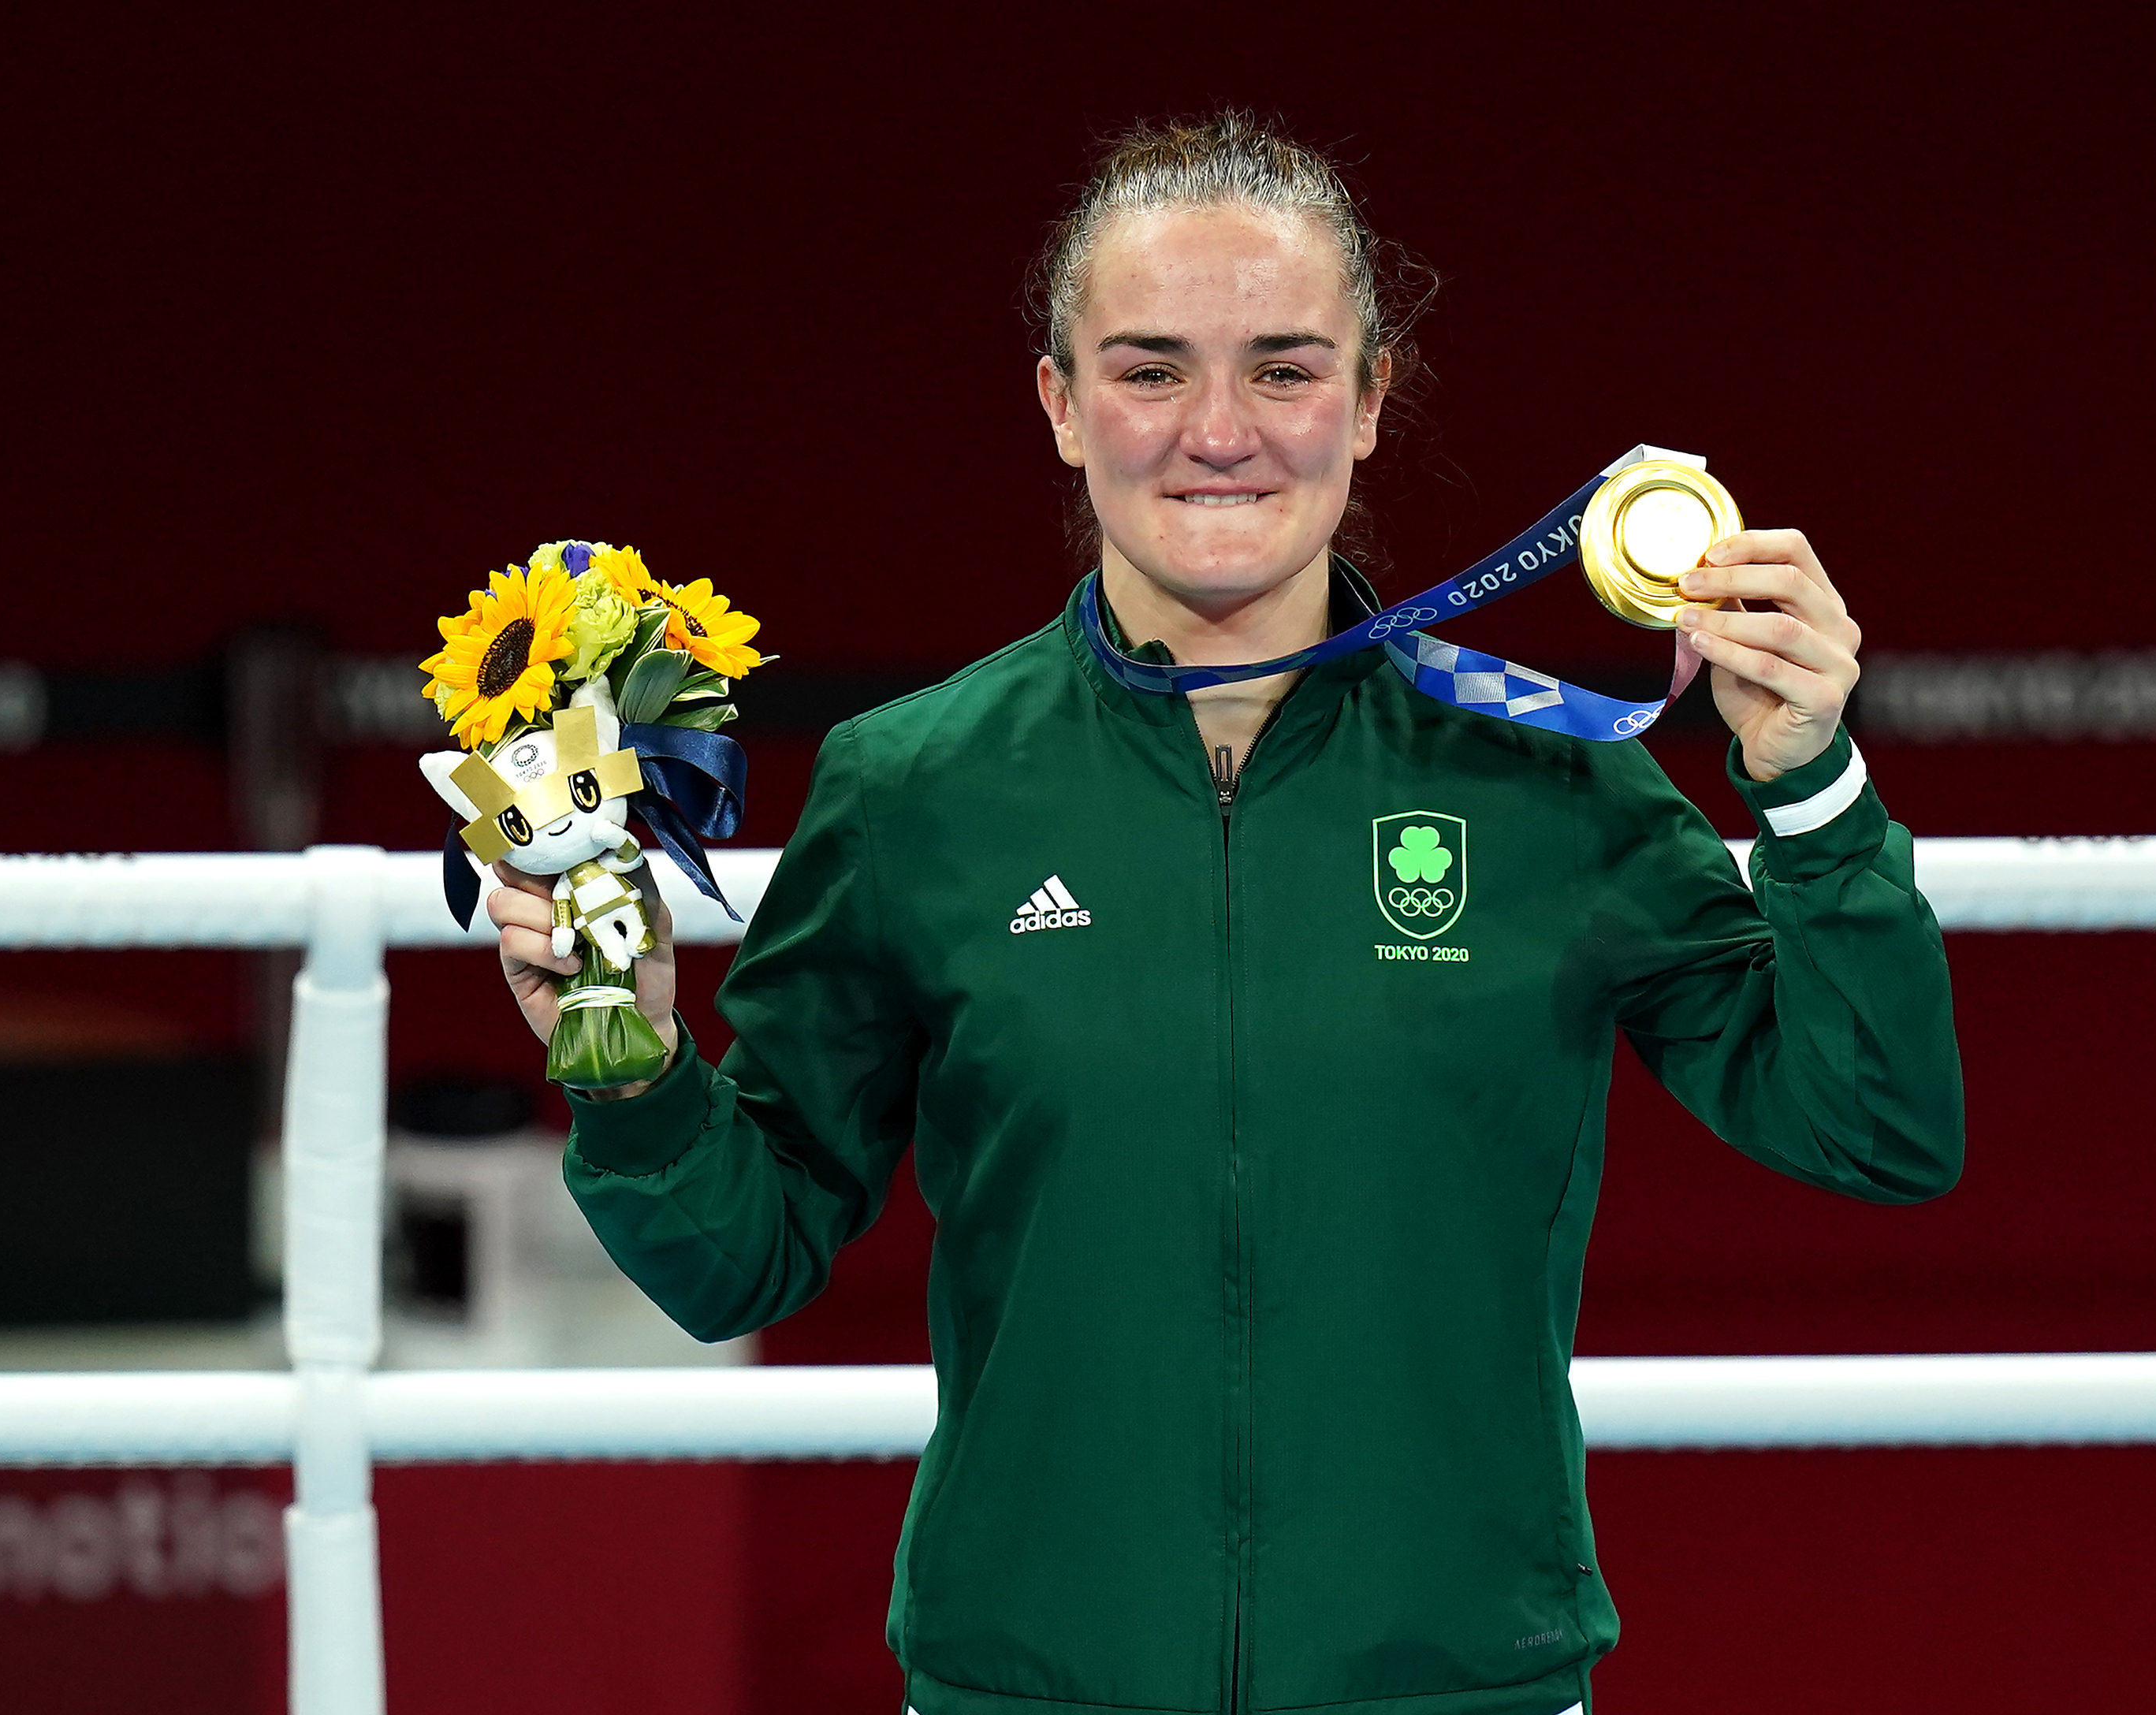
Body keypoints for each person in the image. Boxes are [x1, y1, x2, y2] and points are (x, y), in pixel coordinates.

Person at [486, 113, 1962, 1715]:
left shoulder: (1547, 779)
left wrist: (1806, 788)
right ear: (1059, 405)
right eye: (1146, 368)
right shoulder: (911, 787)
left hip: (1454, 1683)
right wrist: (617, 1053)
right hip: (1034, 1685)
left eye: (1280, 367)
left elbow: (1874, 1126)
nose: (1217, 431)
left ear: (1370, 399)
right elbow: (742, 1259)